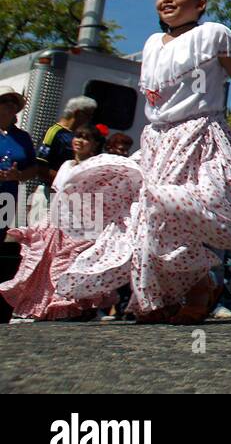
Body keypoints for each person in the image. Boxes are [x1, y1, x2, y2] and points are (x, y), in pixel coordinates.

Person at [57, 0, 231, 324]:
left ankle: (199, 287)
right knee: (146, 218)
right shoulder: (151, 43)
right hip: (157, 139)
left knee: (175, 208)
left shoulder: (213, 34)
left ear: (199, 4)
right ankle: (158, 297)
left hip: (198, 134)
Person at [1, 126, 133, 321]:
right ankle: (49, 306)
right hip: (59, 220)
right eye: (78, 136)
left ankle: (76, 305)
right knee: (48, 264)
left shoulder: (98, 165)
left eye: (85, 138)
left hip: (84, 222)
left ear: (95, 144)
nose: (79, 141)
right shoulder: (67, 165)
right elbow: (57, 192)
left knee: (75, 263)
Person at [0, 87, 39, 325]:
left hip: (7, 199)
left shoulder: (21, 137)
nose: (10, 106)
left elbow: (34, 167)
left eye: (14, 103)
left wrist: (19, 175)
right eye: (5, 101)